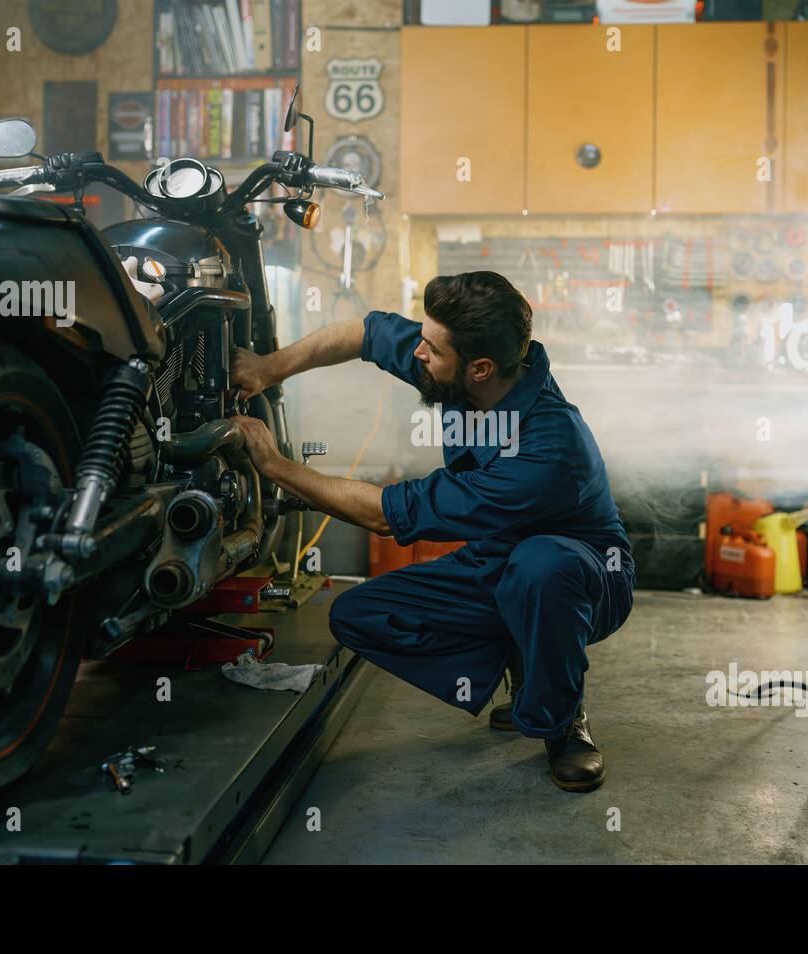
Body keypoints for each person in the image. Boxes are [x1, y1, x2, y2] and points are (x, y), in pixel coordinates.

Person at [230, 271, 634, 791]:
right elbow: (364, 333)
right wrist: (268, 368)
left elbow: (385, 514)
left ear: (480, 368)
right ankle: (523, 663)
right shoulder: (454, 362)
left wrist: (277, 467)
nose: (417, 352)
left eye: (430, 347)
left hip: (587, 576)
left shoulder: (548, 448)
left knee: (541, 565)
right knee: (360, 614)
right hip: (497, 560)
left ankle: (561, 720)